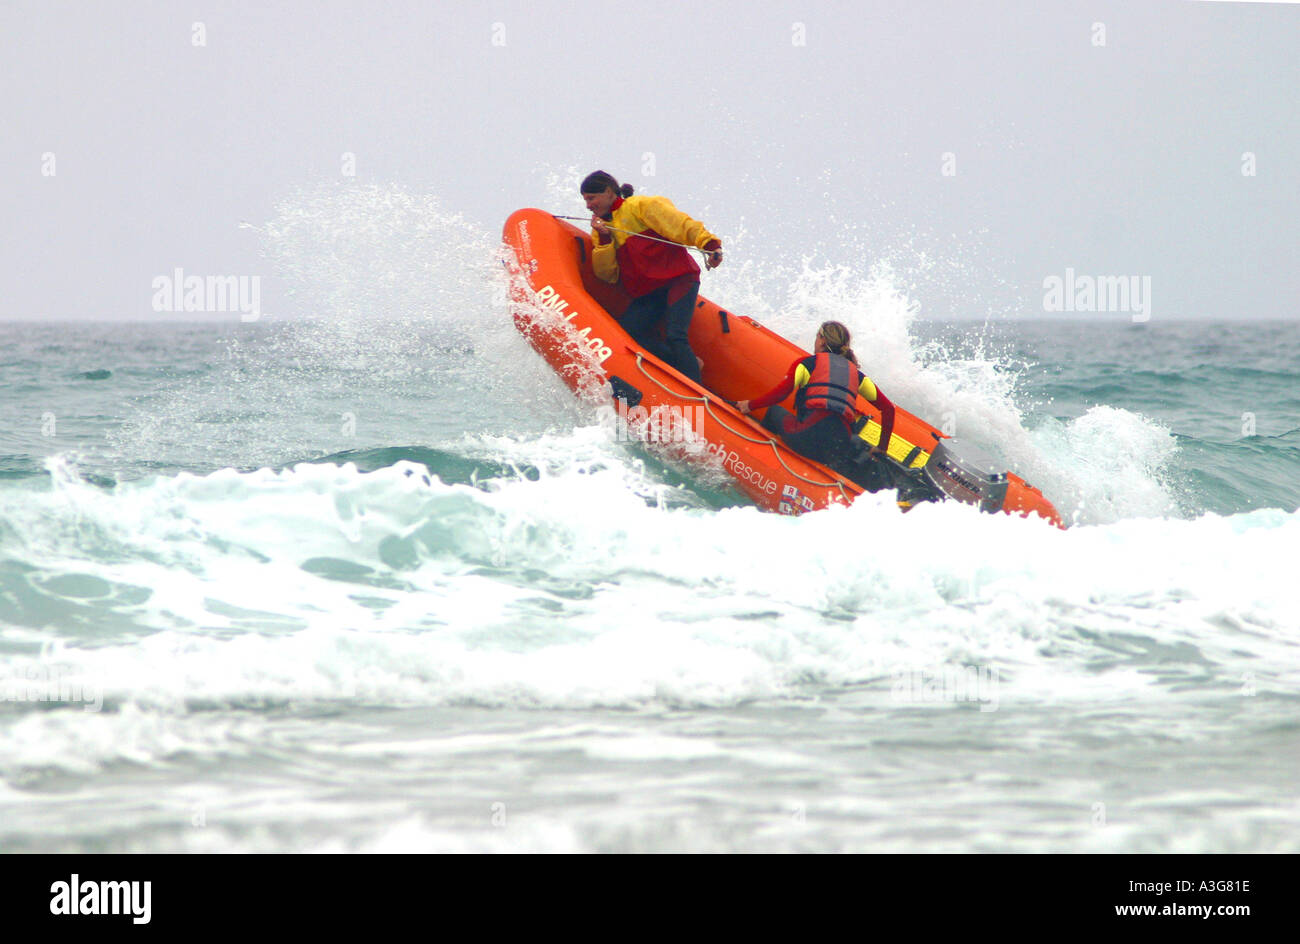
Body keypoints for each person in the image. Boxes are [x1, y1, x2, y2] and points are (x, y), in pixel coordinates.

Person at [581, 170, 722, 385]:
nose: (588, 205)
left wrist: (710, 245)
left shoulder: (640, 206)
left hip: (678, 280)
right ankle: (685, 363)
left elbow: (678, 224)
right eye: (585, 200)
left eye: (592, 198)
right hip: (649, 291)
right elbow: (607, 275)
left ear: (609, 192)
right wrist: (604, 236)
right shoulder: (601, 228)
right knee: (628, 334)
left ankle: (697, 391)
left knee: (676, 336)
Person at [736, 321, 897, 492]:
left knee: (774, 411)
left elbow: (781, 394)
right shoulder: (858, 376)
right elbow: (888, 409)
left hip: (806, 440)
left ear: (821, 340)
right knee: (852, 440)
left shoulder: (807, 364)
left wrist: (750, 405)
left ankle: (755, 463)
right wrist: (881, 448)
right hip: (836, 452)